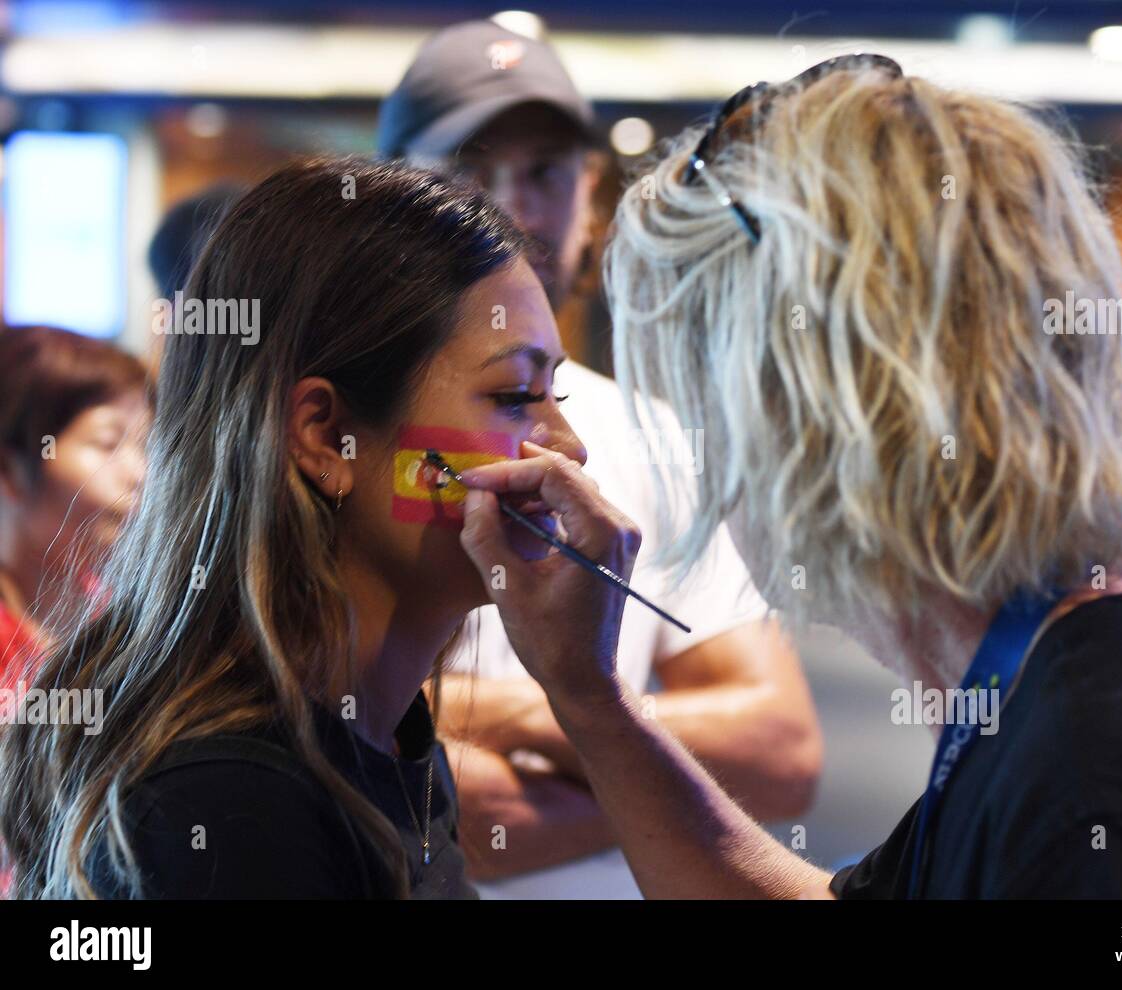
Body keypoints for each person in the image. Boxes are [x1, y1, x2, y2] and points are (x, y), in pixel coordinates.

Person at [448, 55, 1122, 897]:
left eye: (702, 395)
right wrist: (585, 694)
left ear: (806, 409)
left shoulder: (1119, 791)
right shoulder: (1075, 680)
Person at [0, 158, 589, 899]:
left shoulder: (387, 728)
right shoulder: (227, 803)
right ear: (323, 435)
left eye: (554, 390)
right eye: (513, 395)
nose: (567, 445)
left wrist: (588, 691)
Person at [379, 19, 822, 897]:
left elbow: (780, 749)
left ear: (588, 191)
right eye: (470, 164)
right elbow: (415, 808)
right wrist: (633, 766)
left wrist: (529, 712)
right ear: (392, 193)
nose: (512, 204)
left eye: (545, 170)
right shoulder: (347, 428)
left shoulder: (655, 435)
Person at [0, 325, 150, 687]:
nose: (140, 473)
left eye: (144, 444)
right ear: (9, 472)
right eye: (107, 443)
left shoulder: (131, 622)